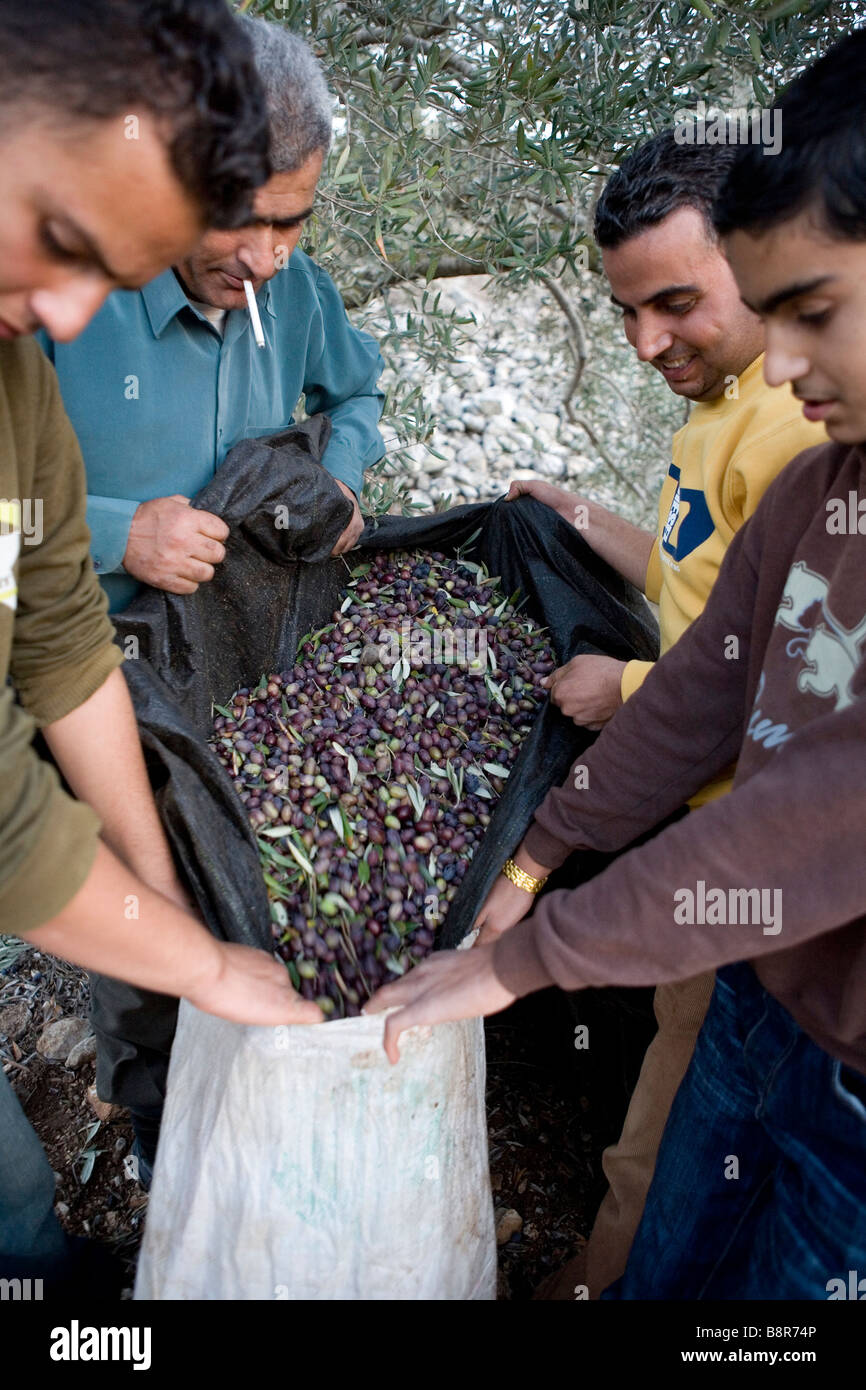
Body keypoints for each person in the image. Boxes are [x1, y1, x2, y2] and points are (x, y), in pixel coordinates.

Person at [367, 26, 866, 1299]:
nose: (785, 364)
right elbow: (704, 686)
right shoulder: (823, 481)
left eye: (808, 312)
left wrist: (524, 959)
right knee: (666, 1242)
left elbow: (808, 821)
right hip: (762, 996)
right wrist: (535, 855)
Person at [0, 0, 321, 1298]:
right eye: (63, 243)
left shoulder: (18, 369)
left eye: (113, 279)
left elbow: (62, 633)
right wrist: (206, 963)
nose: (75, 318)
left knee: (22, 1205)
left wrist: (162, 876)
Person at [506, 128, 825, 1297]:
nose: (645, 342)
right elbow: (700, 584)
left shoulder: (795, 426)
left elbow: (796, 681)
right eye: (625, 311)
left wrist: (625, 689)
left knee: (670, 1124)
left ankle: (599, 1282)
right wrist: (576, 510)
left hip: (750, 853)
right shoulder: (720, 408)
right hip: (695, 819)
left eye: (675, 304)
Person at [40, 17, 385, 615]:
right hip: (70, 663)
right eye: (234, 214)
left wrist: (339, 479)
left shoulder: (298, 290)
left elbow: (356, 396)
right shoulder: (47, 296)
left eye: (289, 220)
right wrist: (118, 536)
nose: (263, 259)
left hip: (233, 664)